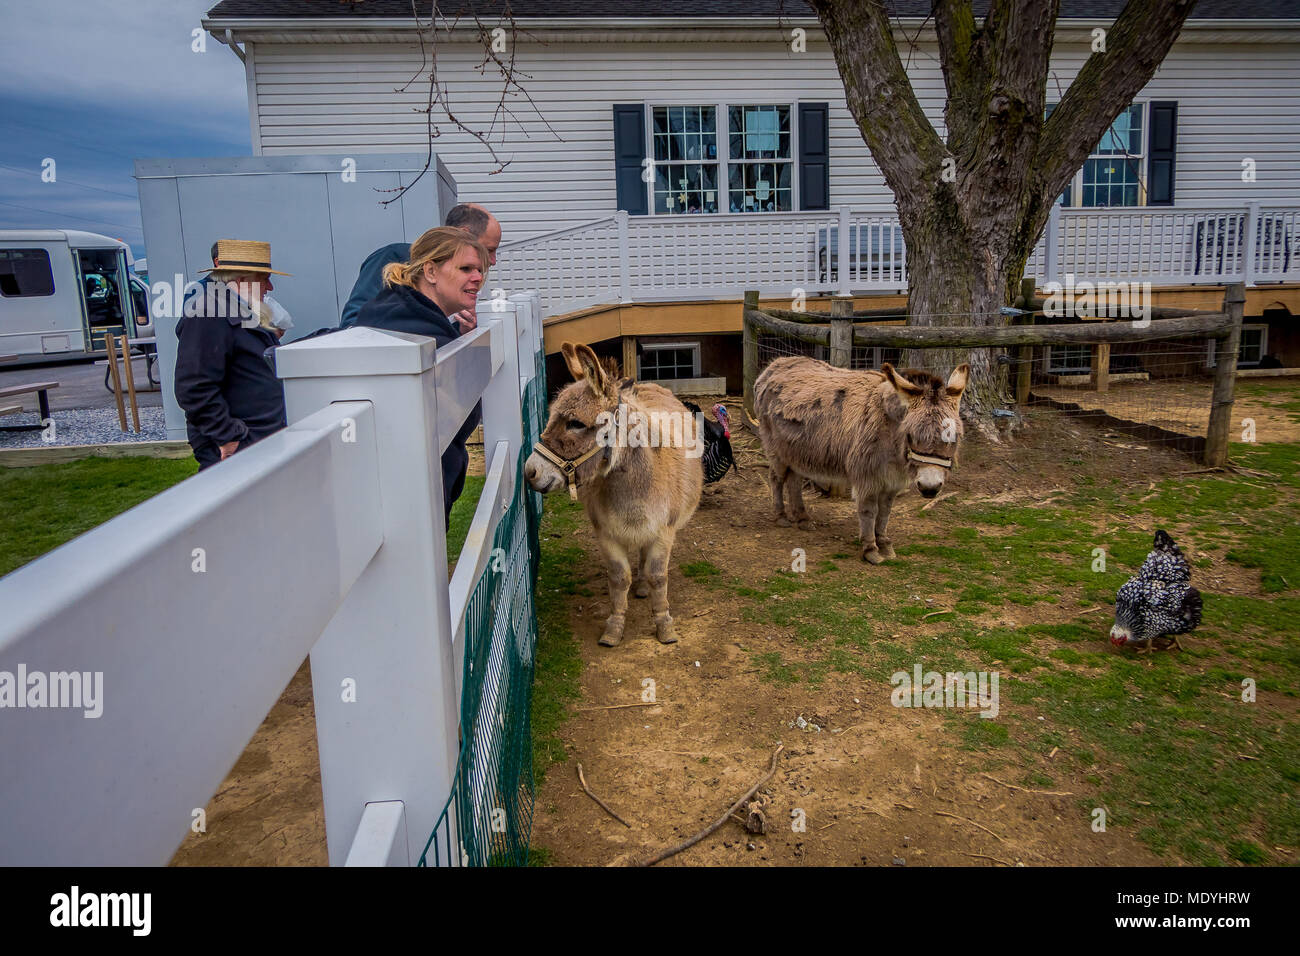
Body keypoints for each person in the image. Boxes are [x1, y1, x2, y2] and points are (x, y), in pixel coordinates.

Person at [352, 227, 487, 523]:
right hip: (408, 506)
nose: (478, 278)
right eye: (466, 268)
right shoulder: (409, 327)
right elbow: (458, 417)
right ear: (431, 271)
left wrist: (458, 337)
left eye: (479, 270)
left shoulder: (405, 313)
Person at [174, 239, 289, 470]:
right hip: (239, 446)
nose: (269, 288)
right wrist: (227, 435)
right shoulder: (207, 313)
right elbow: (194, 387)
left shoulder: (240, 310)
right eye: (264, 279)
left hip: (257, 440)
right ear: (241, 279)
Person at [339, 202, 501, 329]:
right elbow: (353, 324)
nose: (492, 261)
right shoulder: (392, 257)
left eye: (478, 270)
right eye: (489, 250)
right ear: (430, 271)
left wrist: (461, 332)